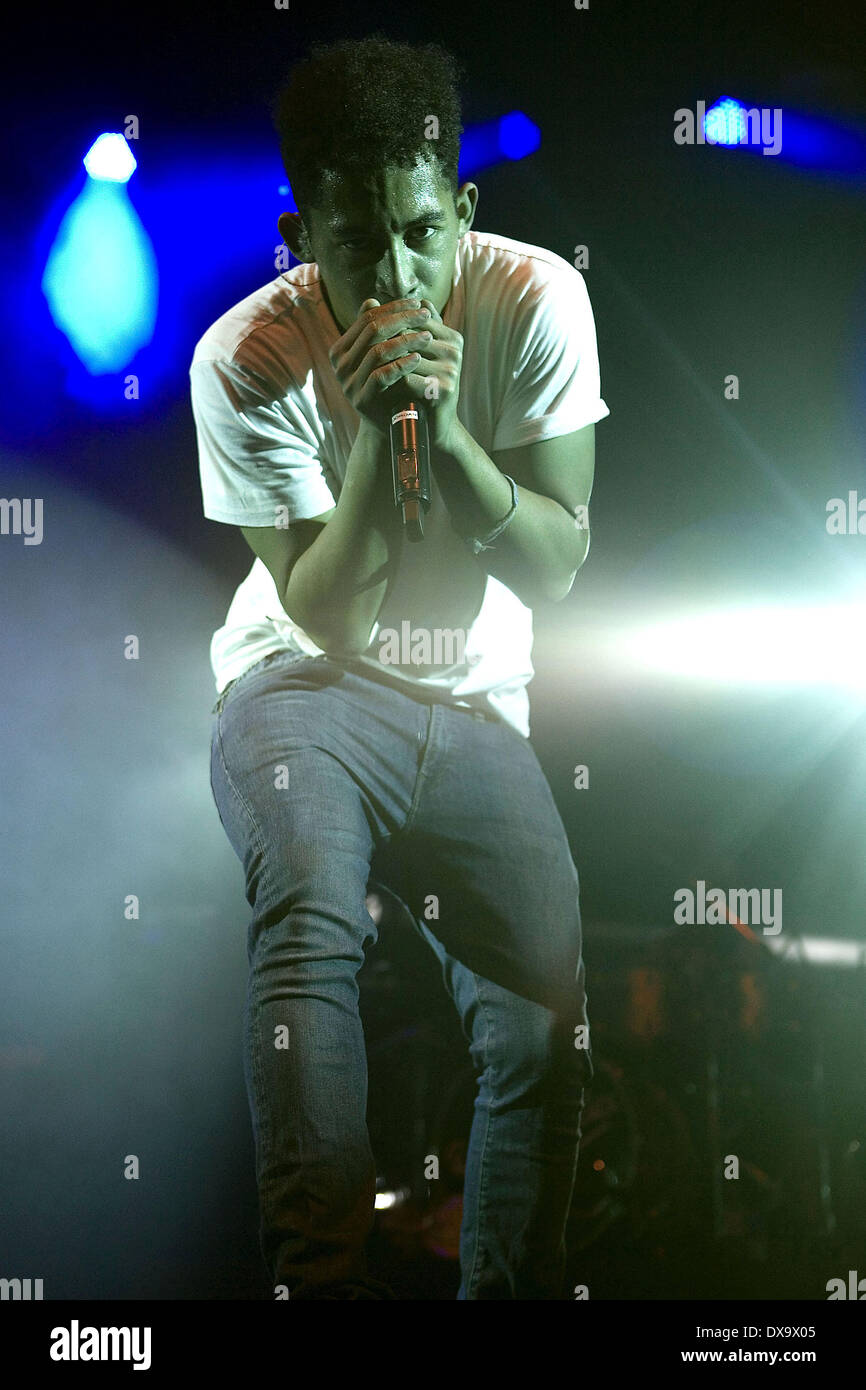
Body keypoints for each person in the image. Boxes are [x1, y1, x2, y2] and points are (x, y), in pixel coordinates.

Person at [190, 32, 609, 1300]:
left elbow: (552, 564)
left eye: (422, 231)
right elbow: (327, 615)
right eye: (358, 240)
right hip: (299, 689)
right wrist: (382, 432)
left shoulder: (534, 297)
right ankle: (317, 1280)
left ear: (462, 209)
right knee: (310, 909)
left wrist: (452, 438)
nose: (398, 273)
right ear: (300, 229)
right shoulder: (245, 358)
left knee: (542, 1019)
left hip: (474, 698)